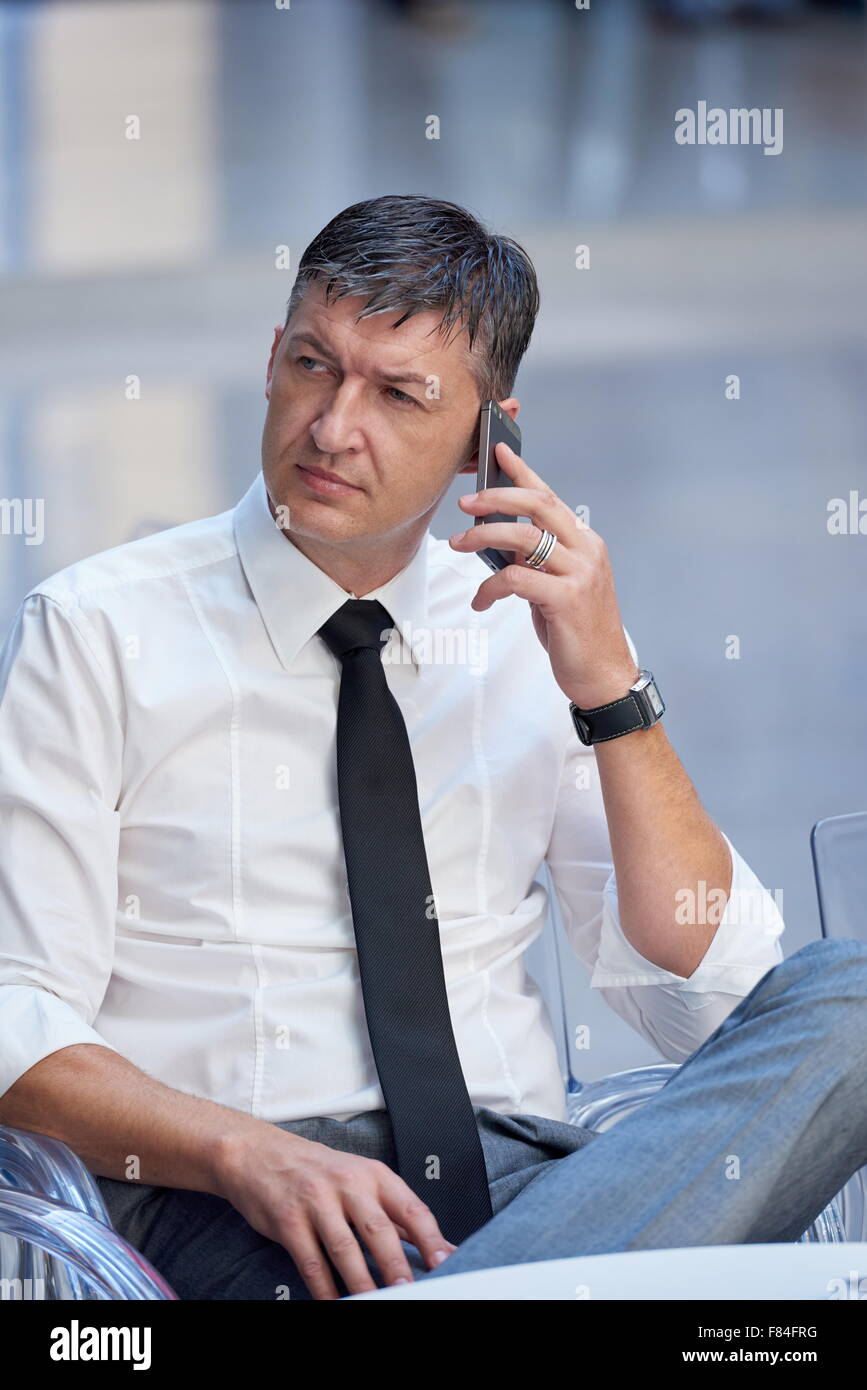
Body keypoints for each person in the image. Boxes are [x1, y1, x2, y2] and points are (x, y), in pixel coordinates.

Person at [0, 194, 865, 1302]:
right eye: (315, 365)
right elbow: (18, 1028)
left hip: (531, 1189)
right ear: (272, 359)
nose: (331, 426)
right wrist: (243, 1152)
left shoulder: (530, 631)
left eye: (398, 394)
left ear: (486, 436)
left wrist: (609, 690)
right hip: (246, 1207)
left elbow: (716, 993)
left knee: (849, 997)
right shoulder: (98, 630)